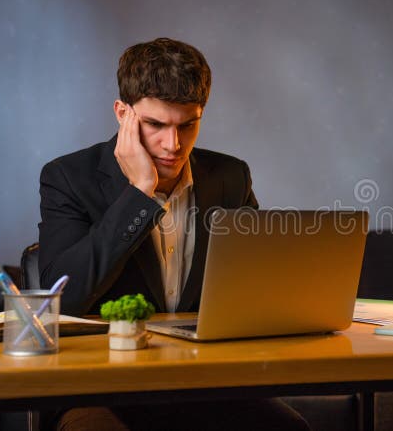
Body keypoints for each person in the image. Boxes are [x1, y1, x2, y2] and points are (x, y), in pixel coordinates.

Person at [38, 38, 309, 431]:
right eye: (155, 124)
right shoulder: (67, 177)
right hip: (100, 388)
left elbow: (256, 287)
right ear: (123, 114)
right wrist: (138, 195)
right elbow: (62, 299)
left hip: (205, 387)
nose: (173, 144)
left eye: (188, 124)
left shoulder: (230, 177)